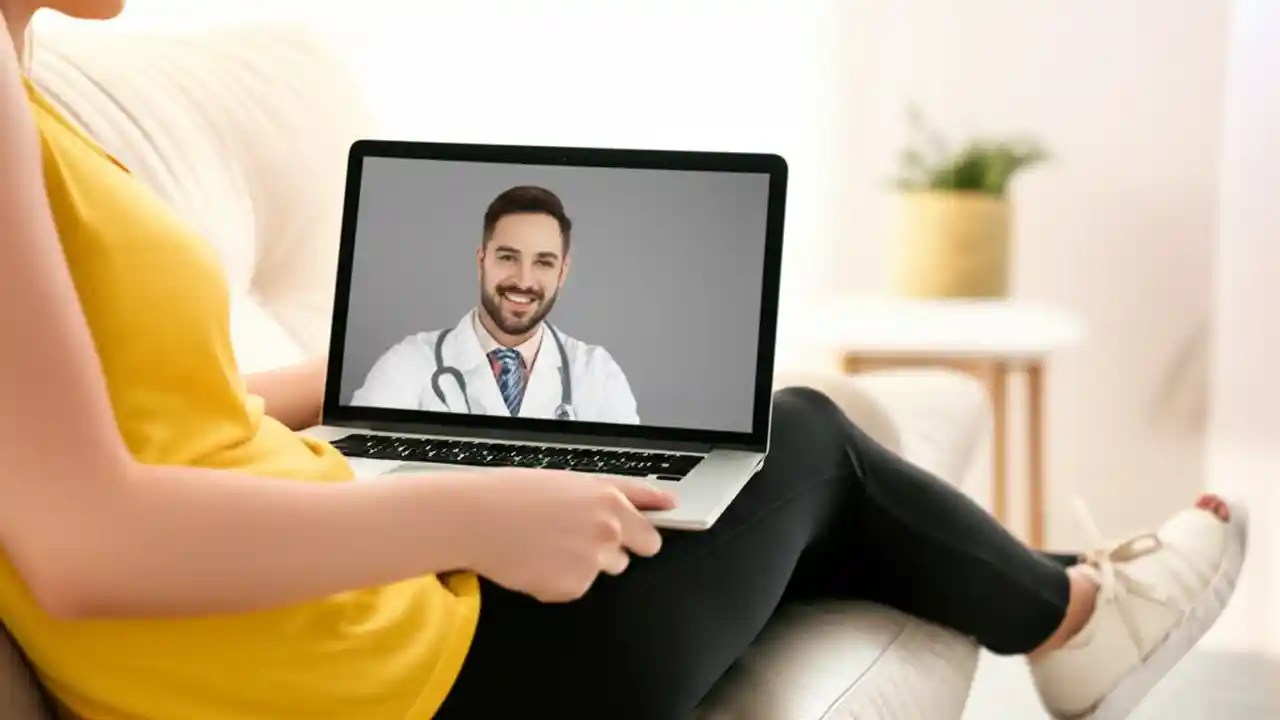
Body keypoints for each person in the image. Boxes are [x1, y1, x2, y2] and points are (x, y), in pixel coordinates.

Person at [0, 3, 1249, 720]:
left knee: (723, 443)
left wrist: (351, 385)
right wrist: (475, 510)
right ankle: (1081, 615)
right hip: (374, 680)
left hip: (347, 612)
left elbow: (131, 416)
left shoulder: (33, 88)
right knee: (804, 439)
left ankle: (1065, 592)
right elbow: (82, 541)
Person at [352, 185, 641, 424]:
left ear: (562, 273)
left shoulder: (597, 373)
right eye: (507, 257)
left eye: (543, 262)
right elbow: (356, 474)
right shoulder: (409, 363)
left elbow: (630, 490)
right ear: (482, 262)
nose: (524, 281)